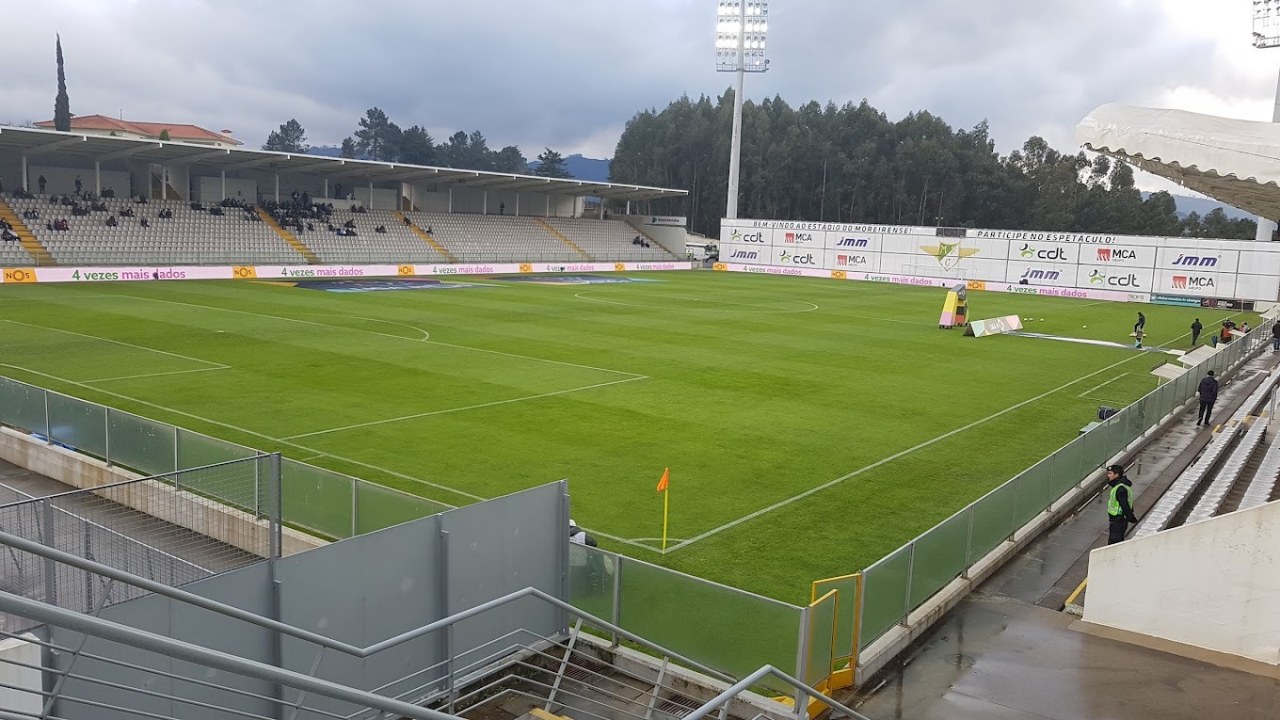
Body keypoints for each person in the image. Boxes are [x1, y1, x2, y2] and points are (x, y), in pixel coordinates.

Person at [1104, 464, 1138, 545]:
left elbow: (1125, 505)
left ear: (1116, 475)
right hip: (1117, 520)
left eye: (1110, 473)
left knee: (1114, 543)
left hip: (1118, 520)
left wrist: (1131, 517)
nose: (1108, 475)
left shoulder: (1120, 488)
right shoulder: (1119, 486)